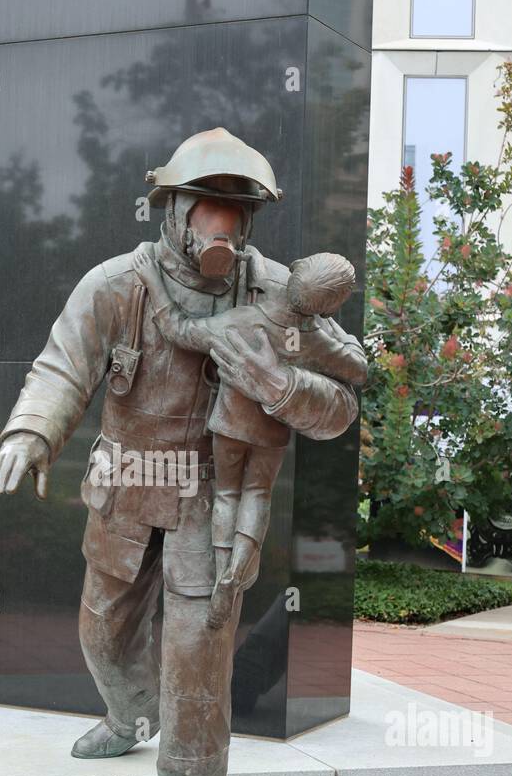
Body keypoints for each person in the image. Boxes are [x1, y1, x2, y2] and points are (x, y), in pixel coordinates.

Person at [0, 128, 363, 776]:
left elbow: (344, 403)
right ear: (172, 210)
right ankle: (127, 716)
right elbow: (62, 369)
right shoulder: (117, 287)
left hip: (213, 507)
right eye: (205, 205)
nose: (219, 223)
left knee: (196, 657)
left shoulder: (282, 296)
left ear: (248, 219)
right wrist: (28, 434)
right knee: (102, 633)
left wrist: (283, 387)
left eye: (233, 208)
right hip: (127, 490)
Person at [130, 241, 367, 627]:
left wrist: (153, 279)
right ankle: (236, 575)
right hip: (271, 429)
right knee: (257, 493)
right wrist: (323, 330)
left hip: (229, 424)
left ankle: (222, 566)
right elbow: (358, 368)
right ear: (330, 307)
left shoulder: (240, 320)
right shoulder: (318, 342)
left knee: (226, 494)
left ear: (295, 267)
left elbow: (177, 328)